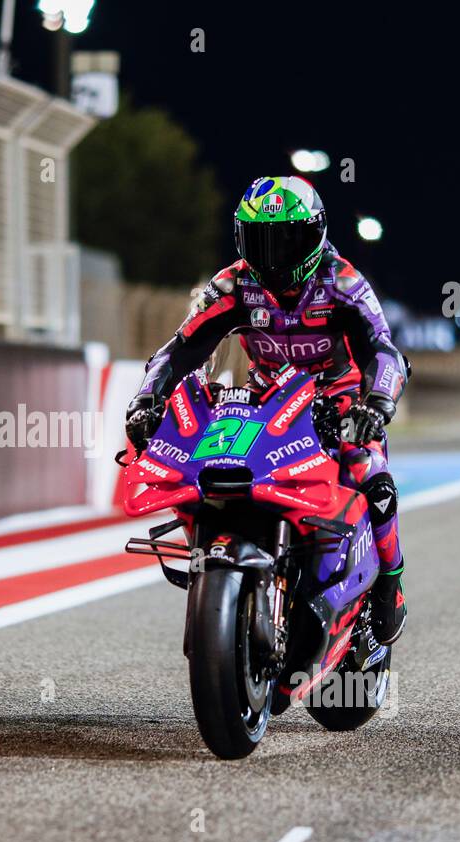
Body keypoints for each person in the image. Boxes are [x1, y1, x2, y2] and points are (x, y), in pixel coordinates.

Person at [125, 175, 407, 644]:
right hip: (266, 399)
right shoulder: (233, 283)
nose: (273, 255)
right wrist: (145, 400)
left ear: (314, 234)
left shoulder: (343, 282)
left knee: (368, 471)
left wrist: (375, 404)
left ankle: (390, 586)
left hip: (337, 401)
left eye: (287, 239)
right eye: (261, 240)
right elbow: (180, 349)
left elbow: (384, 351)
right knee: (215, 467)